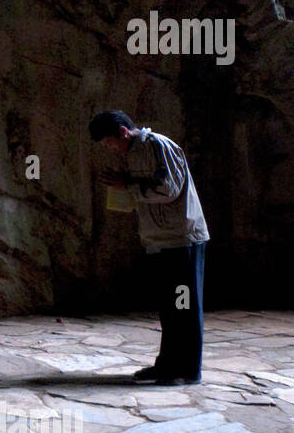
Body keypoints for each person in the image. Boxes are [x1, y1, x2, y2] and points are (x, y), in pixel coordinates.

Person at [89, 110, 209, 386]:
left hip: (182, 238)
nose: (109, 149)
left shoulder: (158, 145)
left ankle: (188, 370)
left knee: (185, 308)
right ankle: (167, 365)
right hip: (160, 239)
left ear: (122, 132)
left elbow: (170, 189)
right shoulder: (132, 153)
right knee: (169, 309)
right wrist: (125, 186)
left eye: (108, 142)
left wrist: (127, 185)